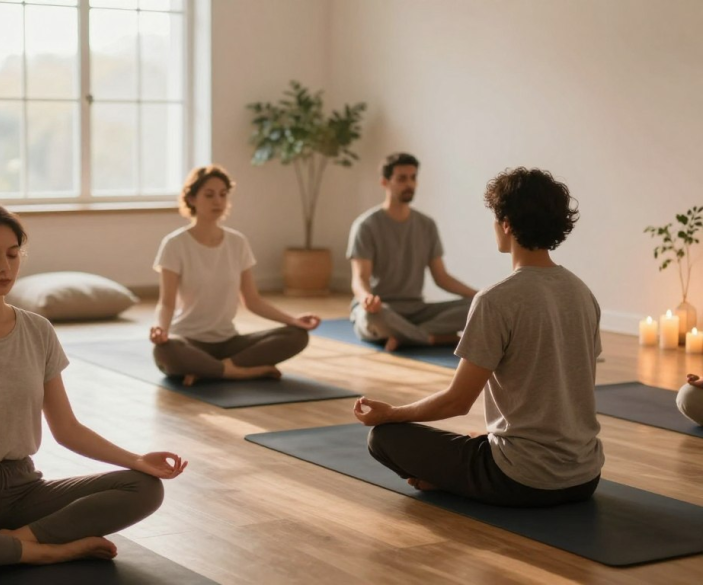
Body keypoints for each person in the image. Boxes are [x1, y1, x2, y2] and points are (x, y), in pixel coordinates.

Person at [0, 203, 187, 581]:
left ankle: (12, 543)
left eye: (13, 255)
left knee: (145, 488)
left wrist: (137, 459)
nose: (5, 267)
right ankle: (48, 552)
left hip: (24, 490)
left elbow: (67, 429)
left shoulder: (38, 331)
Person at [354, 167, 604, 507]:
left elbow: (457, 402)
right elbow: (572, 390)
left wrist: (390, 413)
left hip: (521, 479)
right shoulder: (582, 293)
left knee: (383, 438)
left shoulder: (495, 299)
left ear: (506, 225)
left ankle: (452, 480)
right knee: (474, 441)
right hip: (585, 477)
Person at [150, 165, 321, 386]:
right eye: (209, 195)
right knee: (166, 351)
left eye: (223, 194)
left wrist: (292, 320)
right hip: (189, 342)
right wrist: (161, 331)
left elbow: (252, 301)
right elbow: (166, 303)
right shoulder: (174, 244)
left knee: (297, 335)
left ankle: (214, 369)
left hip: (228, 342)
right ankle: (241, 372)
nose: (217, 201)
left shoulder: (237, 242)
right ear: (192, 199)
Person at [347, 152, 477, 351]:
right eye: (401, 178)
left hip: (417, 310)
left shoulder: (427, 225)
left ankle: (405, 335)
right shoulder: (366, 225)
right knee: (371, 317)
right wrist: (366, 298)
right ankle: (432, 338)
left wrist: (478, 296)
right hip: (381, 309)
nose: (409, 184)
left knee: (476, 309)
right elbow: (360, 277)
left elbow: (441, 277)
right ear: (385, 182)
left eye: (413, 178)